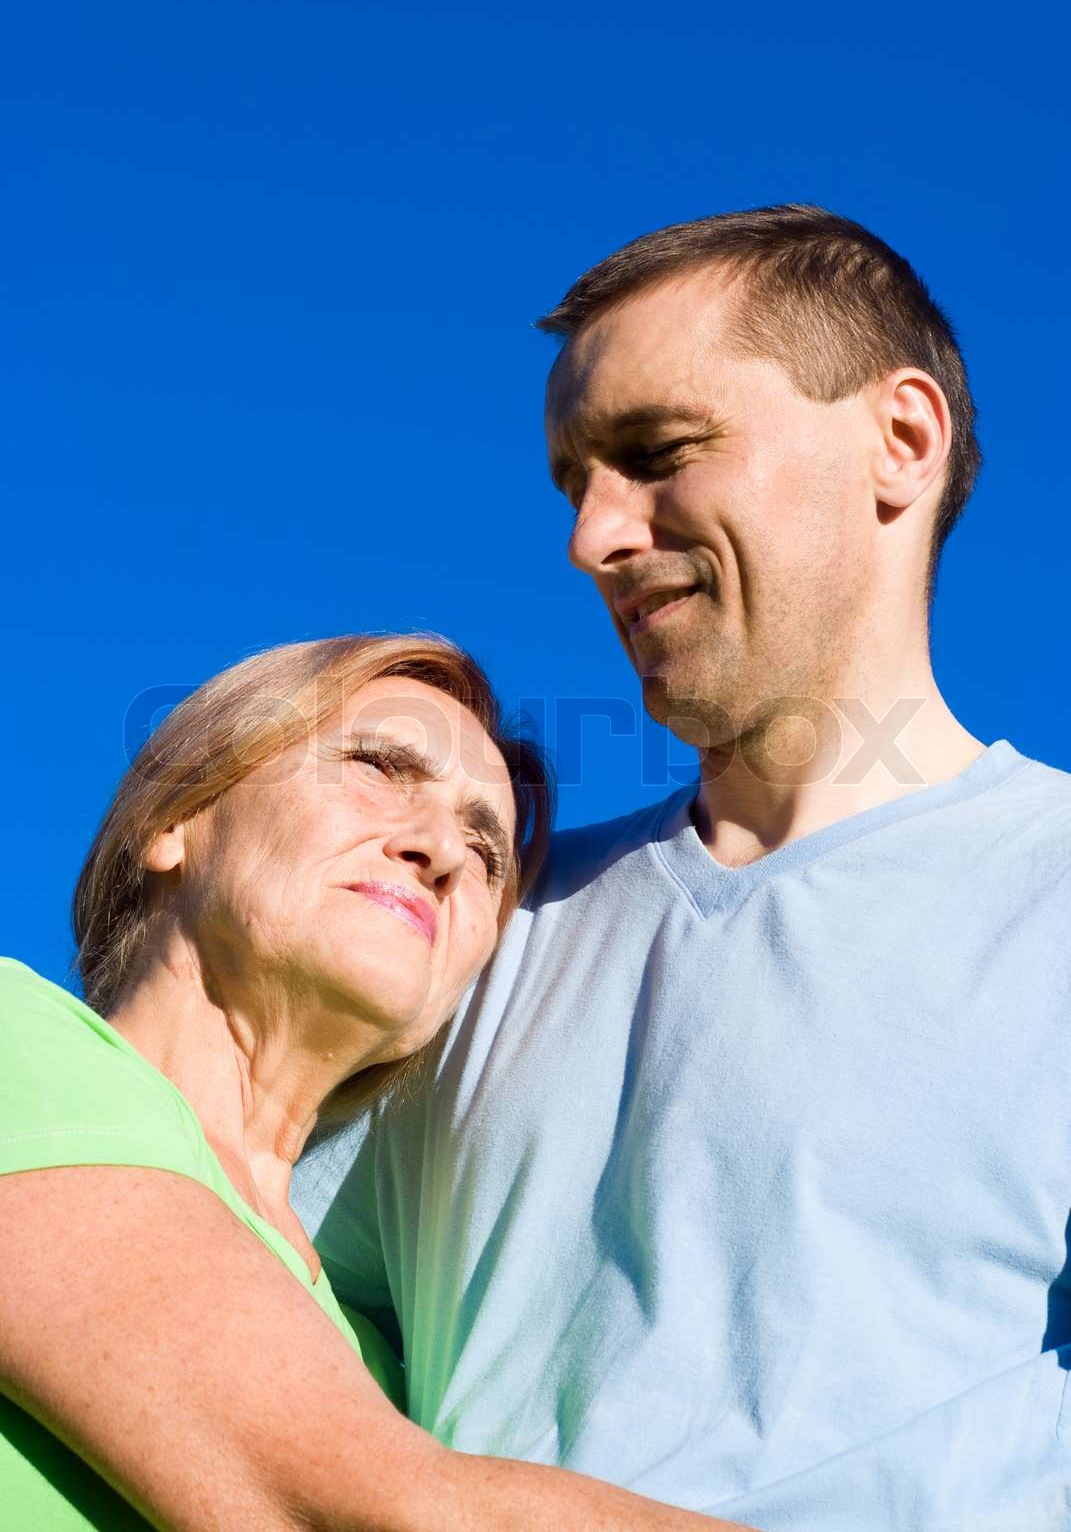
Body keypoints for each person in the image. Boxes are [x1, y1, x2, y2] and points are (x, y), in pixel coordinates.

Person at [294, 207, 1071, 1530]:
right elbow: (254, 1287)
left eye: (654, 454)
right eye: (574, 483)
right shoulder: (470, 923)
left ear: (899, 441)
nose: (589, 539)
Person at [0, 633, 755, 1532]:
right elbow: (377, 1511)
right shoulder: (20, 1045)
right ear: (176, 821)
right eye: (378, 767)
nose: (441, 848)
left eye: (487, 852)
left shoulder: (388, 1362)